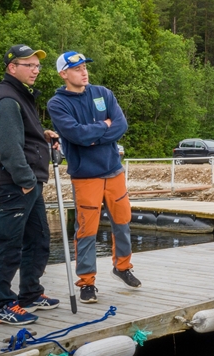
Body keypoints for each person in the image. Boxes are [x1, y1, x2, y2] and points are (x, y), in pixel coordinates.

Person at [47, 51, 141, 305]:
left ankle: (122, 267)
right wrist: (104, 127)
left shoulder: (103, 93)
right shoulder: (57, 103)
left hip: (114, 170)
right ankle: (87, 282)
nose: (84, 72)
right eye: (77, 69)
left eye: (85, 67)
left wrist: (94, 136)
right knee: (87, 229)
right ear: (64, 74)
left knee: (123, 221)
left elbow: (121, 125)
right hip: (85, 175)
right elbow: (76, 135)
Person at [0, 45, 61, 325]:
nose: (36, 70)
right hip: (16, 184)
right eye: (29, 65)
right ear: (12, 67)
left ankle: (30, 293)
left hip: (28, 183)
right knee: (7, 244)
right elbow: (8, 148)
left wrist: (43, 134)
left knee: (38, 239)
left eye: (37, 65)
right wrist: (27, 181)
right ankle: (1, 306)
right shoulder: (7, 99)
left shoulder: (20, 96)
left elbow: (23, 134)